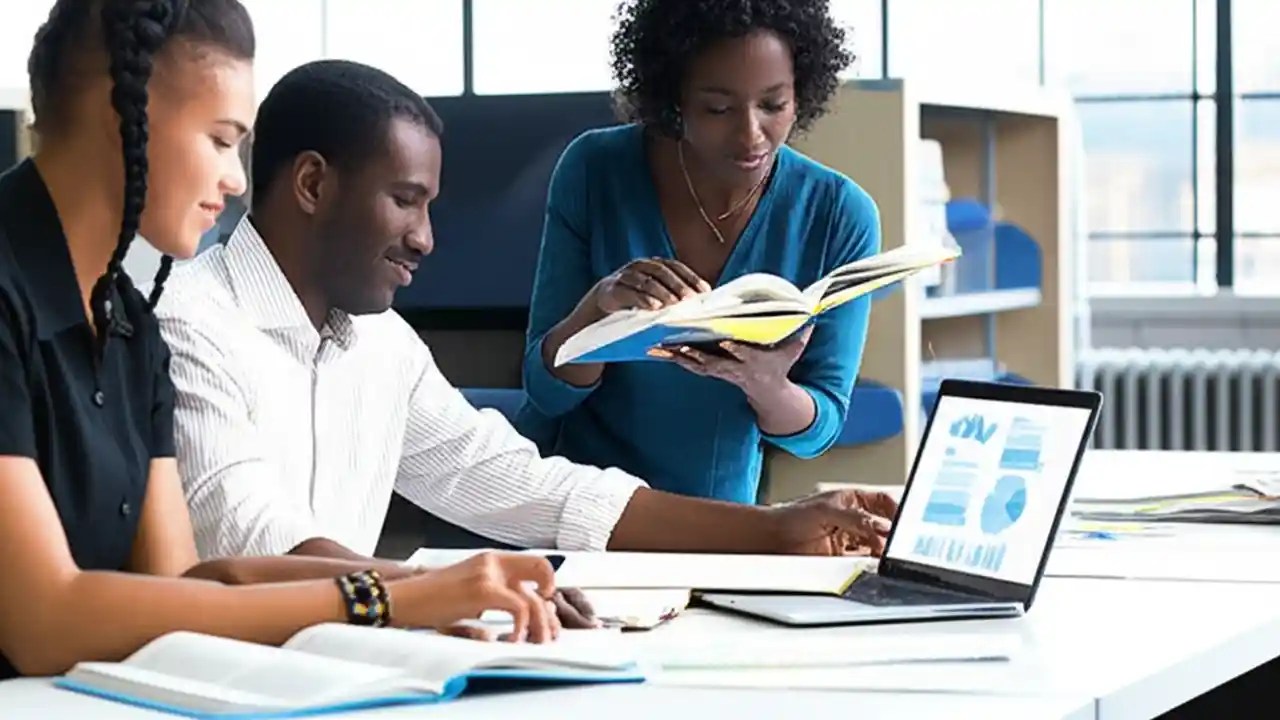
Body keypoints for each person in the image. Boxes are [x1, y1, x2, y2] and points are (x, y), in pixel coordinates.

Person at [152, 58, 900, 627]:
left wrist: (776, 530)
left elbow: (532, 488)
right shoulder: (186, 322)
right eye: (406, 201)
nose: (425, 240)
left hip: (344, 669)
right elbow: (249, 539)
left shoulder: (381, 344)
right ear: (312, 185)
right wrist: (451, 591)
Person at [0, 0, 569, 680]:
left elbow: (185, 586)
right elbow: (43, 621)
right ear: (119, 113)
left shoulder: (129, 321)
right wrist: (381, 596)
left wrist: (440, 588)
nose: (238, 179)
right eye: (218, 140)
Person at [517, 0, 881, 504]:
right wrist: (599, 305)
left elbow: (817, 430)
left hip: (716, 518)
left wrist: (767, 385)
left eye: (774, 105)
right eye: (718, 109)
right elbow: (545, 389)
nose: (751, 134)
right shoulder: (595, 170)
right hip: (573, 504)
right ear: (673, 99)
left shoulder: (839, 214)